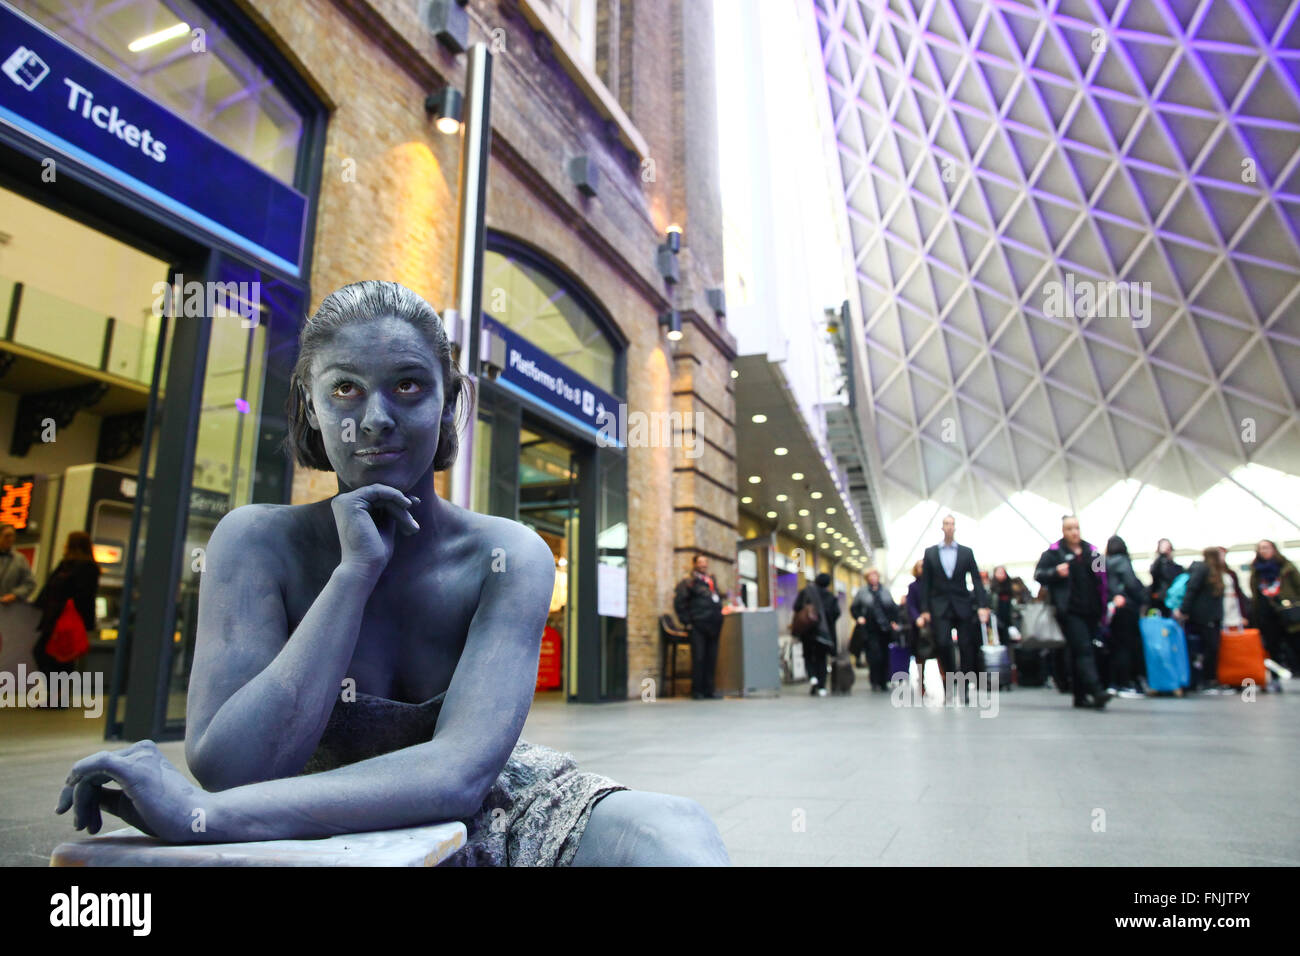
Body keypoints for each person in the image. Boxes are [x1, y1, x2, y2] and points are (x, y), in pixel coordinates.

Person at [55, 280, 729, 866]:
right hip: (307, 821)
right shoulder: (255, 542)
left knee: (673, 831)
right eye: (345, 388)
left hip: (489, 811)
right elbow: (233, 769)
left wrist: (199, 820)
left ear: (449, 402)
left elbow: (459, 777)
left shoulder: (507, 555)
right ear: (311, 407)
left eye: (408, 385)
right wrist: (352, 577)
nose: (375, 421)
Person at [1035, 516, 1110, 709]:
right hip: (1069, 610)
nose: (1074, 532)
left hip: (1092, 609)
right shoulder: (1054, 552)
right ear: (1063, 531)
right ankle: (1096, 690)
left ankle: (1080, 696)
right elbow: (1039, 574)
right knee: (1083, 648)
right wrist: (1055, 573)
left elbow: (1103, 579)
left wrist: (1106, 604)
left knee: (1081, 651)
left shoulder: (1092, 552)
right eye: (1069, 528)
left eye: (1076, 528)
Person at [918, 514, 989, 697]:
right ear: (942, 527)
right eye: (946, 524)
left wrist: (982, 605)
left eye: (952, 524)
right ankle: (949, 684)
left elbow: (976, 580)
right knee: (943, 644)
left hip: (962, 604)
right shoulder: (931, 553)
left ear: (955, 527)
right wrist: (925, 609)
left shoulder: (966, 552)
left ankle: (964, 687)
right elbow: (925, 583)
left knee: (966, 646)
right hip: (939, 606)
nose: (949, 527)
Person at [32, 531, 101, 686]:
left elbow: (80, 595)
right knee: (55, 655)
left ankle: (57, 694)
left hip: (65, 617)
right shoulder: (69, 565)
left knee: (51, 654)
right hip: (58, 617)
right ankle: (57, 693)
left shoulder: (82, 567)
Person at [674, 553, 725, 700]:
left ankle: (709, 690)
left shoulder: (710, 581)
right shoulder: (689, 582)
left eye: (705, 561)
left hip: (714, 625)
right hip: (698, 625)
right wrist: (687, 623)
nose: (704, 564)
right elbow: (680, 603)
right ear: (695, 564)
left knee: (711, 658)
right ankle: (697, 690)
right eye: (701, 562)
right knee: (699, 658)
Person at [1178, 547, 1229, 693]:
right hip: (1204, 616)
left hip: (1210, 616)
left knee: (1209, 648)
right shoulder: (1203, 569)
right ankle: (1207, 680)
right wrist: (1184, 610)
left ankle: (1208, 679)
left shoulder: (1215, 572)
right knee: (1209, 648)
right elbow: (1192, 589)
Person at [1105, 536, 1147, 699]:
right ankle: (1126, 683)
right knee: (1127, 647)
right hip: (1126, 608)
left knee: (1114, 647)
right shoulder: (1122, 561)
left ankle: (1113, 683)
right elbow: (1131, 584)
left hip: (1111, 609)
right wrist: (1142, 598)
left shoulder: (1102, 561)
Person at [1250, 539, 1300, 676]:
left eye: (1266, 547)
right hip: (1267, 612)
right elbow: (1254, 592)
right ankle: (1277, 677)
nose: (1263, 551)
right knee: (1273, 646)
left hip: (1289, 611)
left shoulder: (1285, 566)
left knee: (1295, 643)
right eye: (1261, 548)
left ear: (1274, 549)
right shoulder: (1256, 570)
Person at [851, 568, 901, 691]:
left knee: (885, 655)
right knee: (874, 655)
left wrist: (895, 622)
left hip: (885, 629)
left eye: (875, 576)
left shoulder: (885, 591)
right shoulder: (862, 592)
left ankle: (884, 681)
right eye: (871, 576)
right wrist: (859, 618)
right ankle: (874, 680)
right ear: (867, 578)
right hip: (870, 629)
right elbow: (854, 608)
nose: (873, 578)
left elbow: (893, 607)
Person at [905, 559, 943, 699]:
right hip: (919, 629)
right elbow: (911, 606)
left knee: (941, 655)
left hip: (935, 625)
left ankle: (946, 684)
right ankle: (921, 685)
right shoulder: (913, 587)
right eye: (921, 566)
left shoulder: (936, 585)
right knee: (920, 658)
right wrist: (917, 618)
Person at [794, 572, 837, 696]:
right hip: (823, 633)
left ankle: (812, 676)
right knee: (821, 659)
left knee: (807, 655)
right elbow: (836, 614)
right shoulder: (830, 596)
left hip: (807, 630)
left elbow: (796, 607)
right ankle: (822, 686)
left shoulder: (805, 592)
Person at [0, 522, 36, 607]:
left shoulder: (20, 559)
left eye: (12, 536)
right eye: (7, 536)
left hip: (8, 609)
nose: (10, 539)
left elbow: (30, 583)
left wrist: (14, 595)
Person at [1149, 538, 1185, 617]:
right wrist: (1161, 555)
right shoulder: (1157, 565)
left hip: (1173, 600)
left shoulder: (1177, 568)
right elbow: (1154, 573)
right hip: (1160, 600)